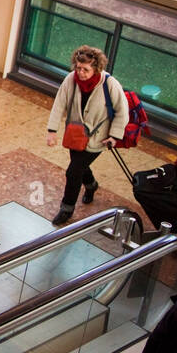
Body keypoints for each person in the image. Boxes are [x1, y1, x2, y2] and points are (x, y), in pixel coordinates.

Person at [45, 44, 129, 225]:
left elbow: (122, 111)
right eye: (78, 67)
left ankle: (66, 209)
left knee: (73, 171)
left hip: (99, 138)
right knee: (79, 167)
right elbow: (59, 103)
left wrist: (114, 136)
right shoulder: (71, 79)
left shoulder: (110, 84)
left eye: (85, 69)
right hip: (75, 135)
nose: (80, 72)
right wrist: (52, 131)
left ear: (96, 68)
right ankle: (91, 185)